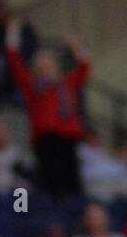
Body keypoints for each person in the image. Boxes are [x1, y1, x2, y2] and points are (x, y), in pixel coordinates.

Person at [5, 21, 90, 195]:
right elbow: (14, 60)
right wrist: (13, 33)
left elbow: (85, 66)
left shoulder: (68, 84)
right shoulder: (32, 86)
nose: (46, 70)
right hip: (46, 142)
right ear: (36, 71)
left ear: (57, 68)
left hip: (68, 140)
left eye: (49, 66)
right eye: (41, 68)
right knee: (53, 186)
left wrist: (75, 45)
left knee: (73, 185)